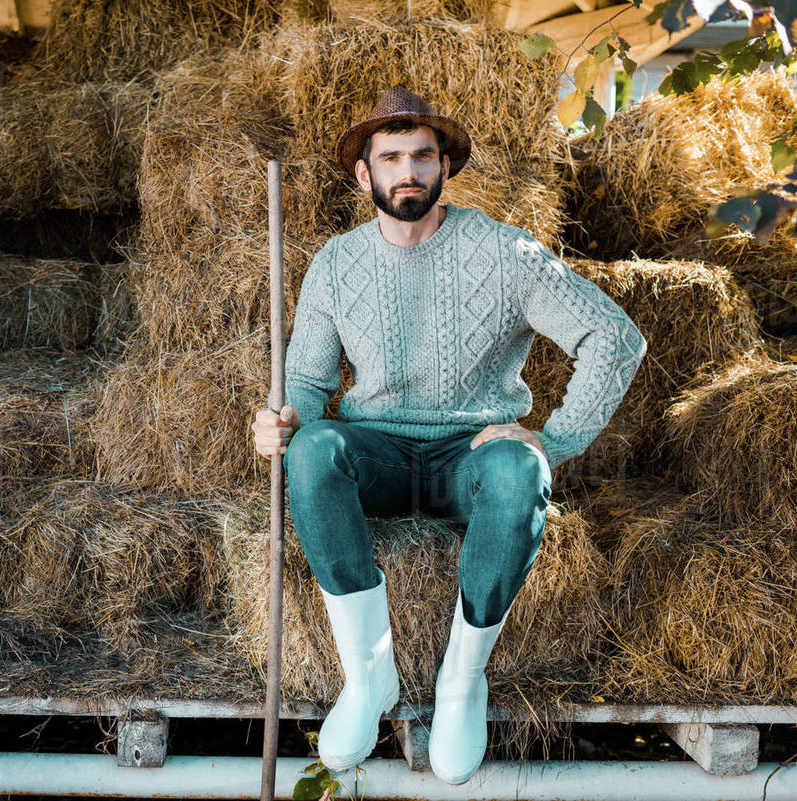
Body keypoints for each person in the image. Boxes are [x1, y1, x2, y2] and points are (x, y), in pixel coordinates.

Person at [249, 86, 646, 784]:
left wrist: (551, 442)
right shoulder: (335, 264)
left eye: (424, 156)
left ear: (446, 168)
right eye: (392, 156)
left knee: (521, 471)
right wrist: (283, 420)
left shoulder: (506, 251)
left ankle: (463, 679)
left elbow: (614, 336)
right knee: (313, 452)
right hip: (376, 450)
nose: (409, 170)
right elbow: (308, 387)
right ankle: (369, 677)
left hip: (470, 456)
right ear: (363, 174)